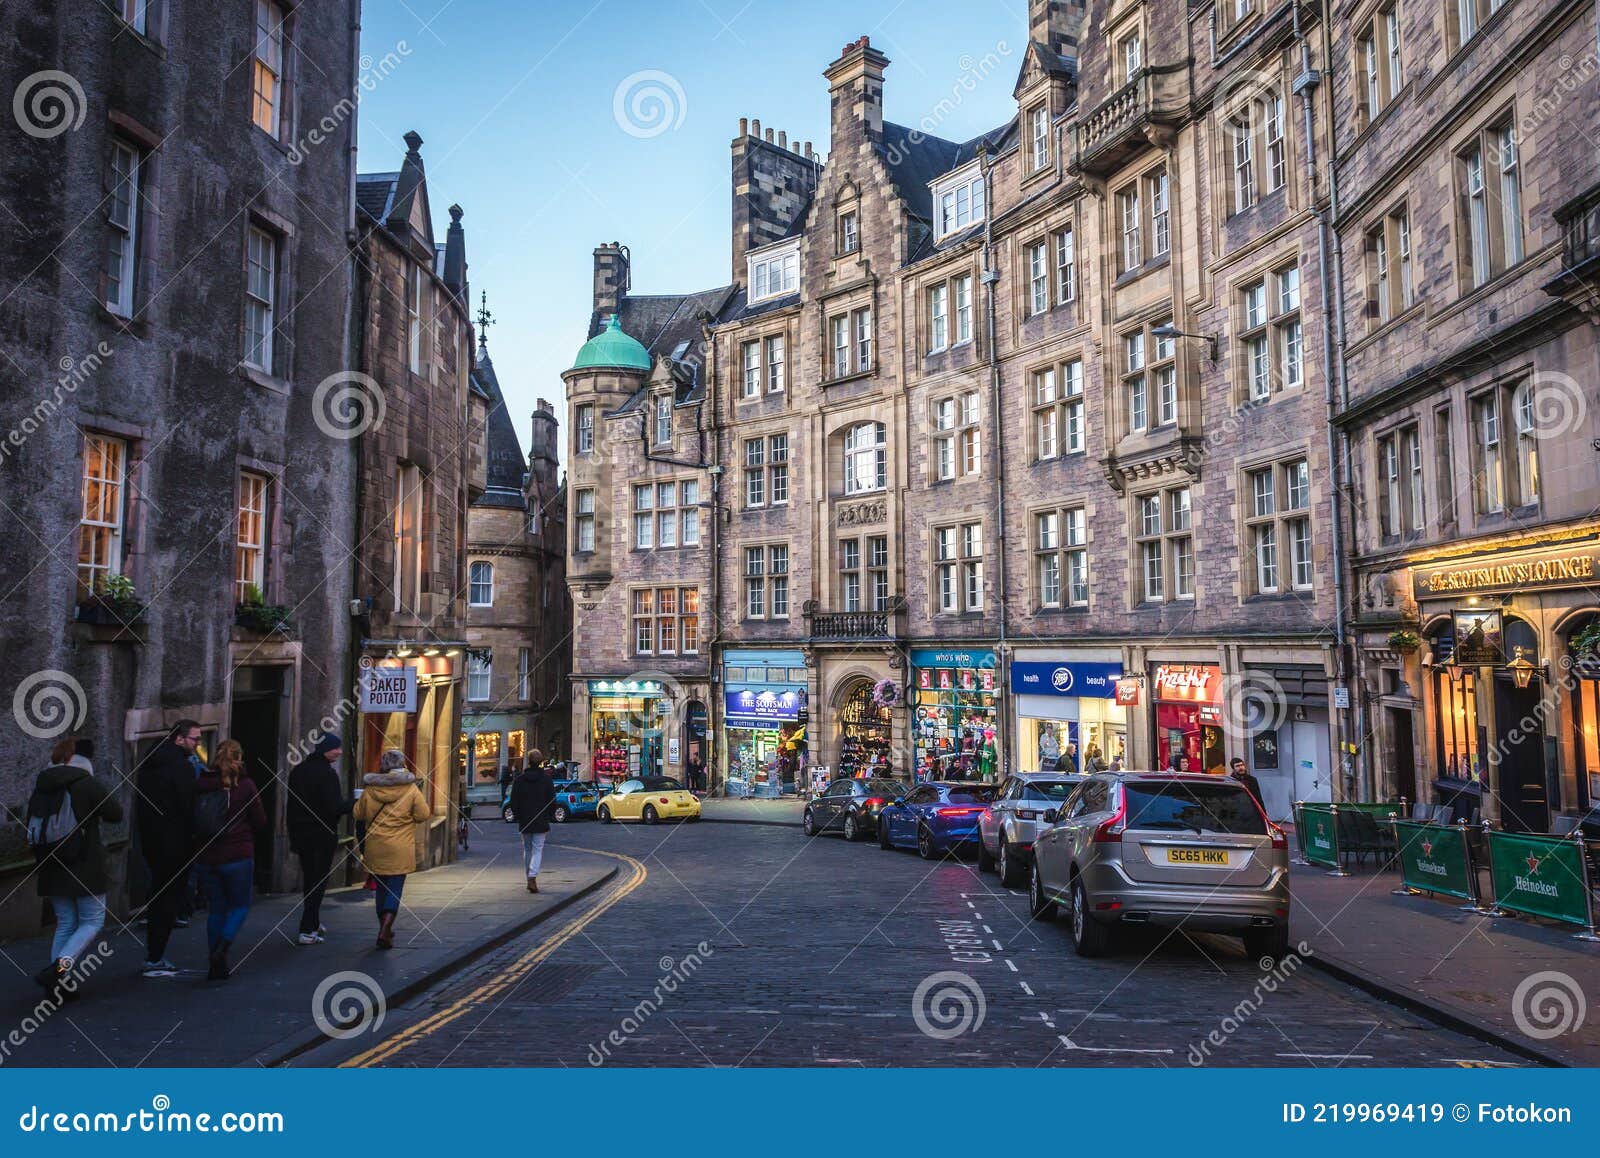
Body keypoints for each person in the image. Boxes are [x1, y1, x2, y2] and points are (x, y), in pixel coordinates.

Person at [28, 736, 123, 1000]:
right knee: (92, 921)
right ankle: (58, 970)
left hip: (51, 862)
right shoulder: (85, 783)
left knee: (66, 922)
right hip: (84, 862)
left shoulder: (42, 785)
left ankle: (56, 985)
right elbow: (115, 813)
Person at [194, 740, 265, 980]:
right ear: (239, 758)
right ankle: (223, 948)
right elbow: (260, 820)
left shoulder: (202, 784)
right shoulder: (245, 785)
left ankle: (215, 963)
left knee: (216, 909)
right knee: (240, 906)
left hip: (207, 855)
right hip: (237, 855)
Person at [135, 719, 201, 978]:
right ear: (179, 739)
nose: (198, 744)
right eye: (195, 739)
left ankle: (154, 955)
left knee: (158, 896)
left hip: (152, 839)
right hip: (175, 843)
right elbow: (188, 807)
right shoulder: (181, 767)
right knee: (168, 899)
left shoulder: (150, 765)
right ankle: (155, 957)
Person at [352, 749, 431, 949]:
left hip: (376, 847)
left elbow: (357, 814)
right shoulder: (410, 789)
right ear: (402, 764)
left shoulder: (371, 789)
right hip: (400, 847)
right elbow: (423, 815)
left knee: (381, 888)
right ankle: (386, 927)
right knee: (394, 888)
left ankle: (383, 928)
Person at [286, 732, 348, 945]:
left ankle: (313, 921)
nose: (339, 751)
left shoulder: (298, 772)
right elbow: (334, 807)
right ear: (325, 750)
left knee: (310, 879)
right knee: (318, 882)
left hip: (302, 835)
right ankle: (307, 929)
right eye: (336, 748)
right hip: (322, 836)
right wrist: (353, 804)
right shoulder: (327, 775)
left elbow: (291, 807)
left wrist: (292, 833)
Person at [509, 749, 556, 893]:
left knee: (527, 849)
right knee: (537, 850)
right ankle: (532, 877)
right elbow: (552, 801)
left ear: (528, 761)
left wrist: (518, 816)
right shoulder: (546, 780)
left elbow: (513, 801)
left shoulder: (519, 780)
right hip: (541, 819)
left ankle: (529, 877)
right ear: (541, 762)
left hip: (525, 820)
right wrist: (550, 815)